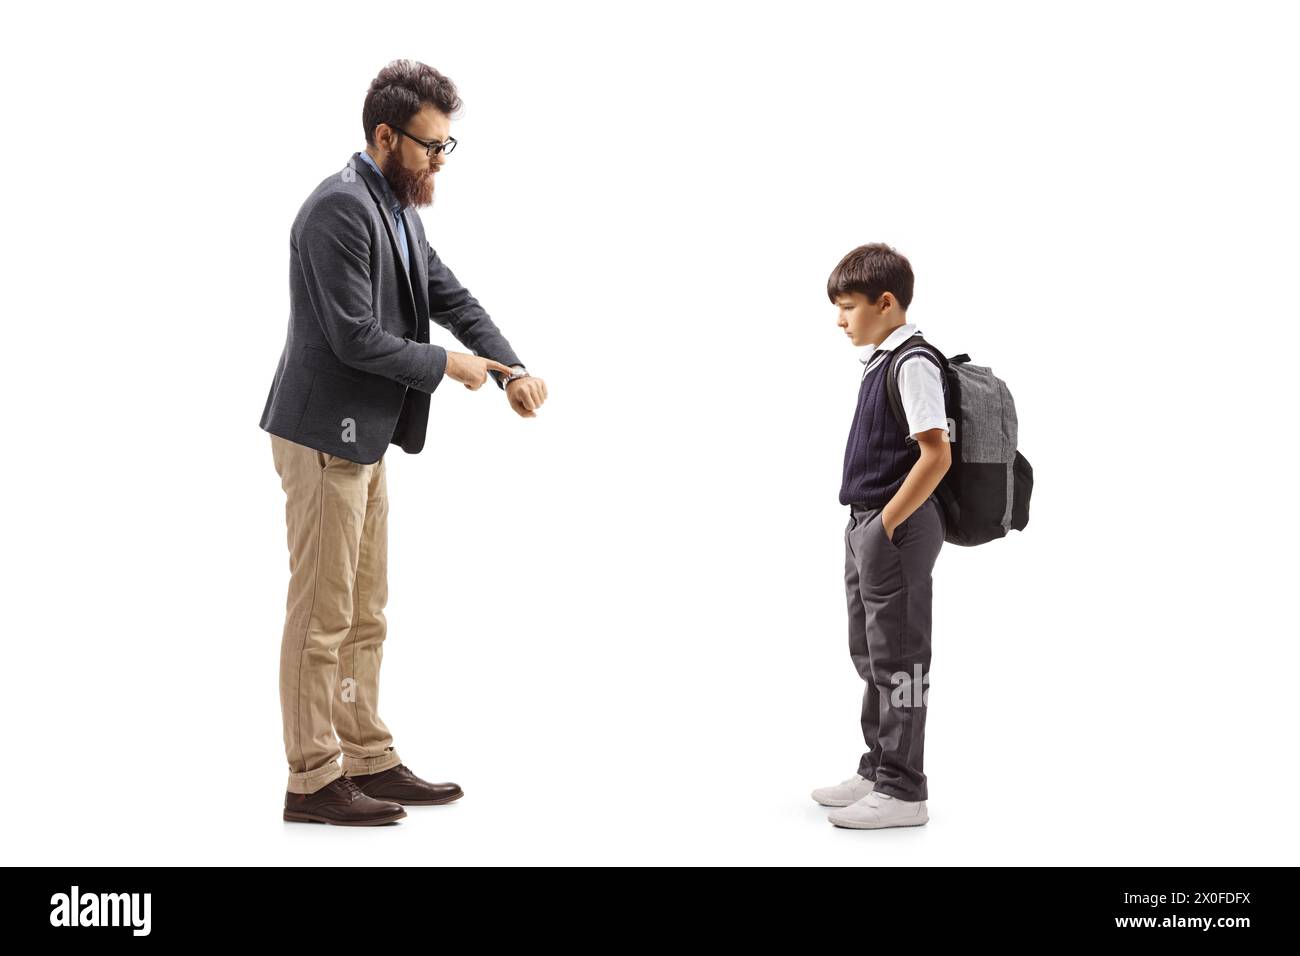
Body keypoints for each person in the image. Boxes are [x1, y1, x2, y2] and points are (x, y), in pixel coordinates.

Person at [259, 59, 548, 826]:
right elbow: (354, 338)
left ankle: (366, 757)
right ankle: (312, 779)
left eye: (449, 146)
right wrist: (448, 366)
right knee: (322, 616)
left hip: (365, 437)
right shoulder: (336, 211)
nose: (439, 161)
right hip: (323, 435)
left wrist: (510, 364)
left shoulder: (396, 208)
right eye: (429, 146)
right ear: (384, 136)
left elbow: (450, 296)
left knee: (365, 612)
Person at [812, 243, 949, 830]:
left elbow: (936, 454)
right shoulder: (881, 360)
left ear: (885, 302)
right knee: (871, 653)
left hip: (896, 525)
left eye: (848, 306)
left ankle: (903, 789)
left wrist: (888, 523)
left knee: (901, 660)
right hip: (867, 522)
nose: (840, 320)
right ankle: (878, 768)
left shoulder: (913, 361)